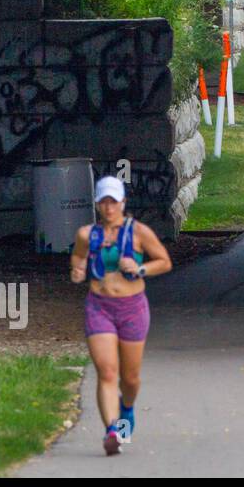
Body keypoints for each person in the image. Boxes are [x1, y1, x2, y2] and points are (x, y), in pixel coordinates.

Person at [70, 175, 173, 456]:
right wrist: (77, 271)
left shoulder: (139, 232)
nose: (108, 207)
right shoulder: (86, 234)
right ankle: (112, 431)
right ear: (97, 205)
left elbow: (164, 262)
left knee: (129, 378)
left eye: (113, 202)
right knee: (107, 372)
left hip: (132, 308)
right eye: (103, 202)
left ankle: (126, 410)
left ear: (123, 203)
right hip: (99, 306)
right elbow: (78, 257)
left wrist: (140, 269)